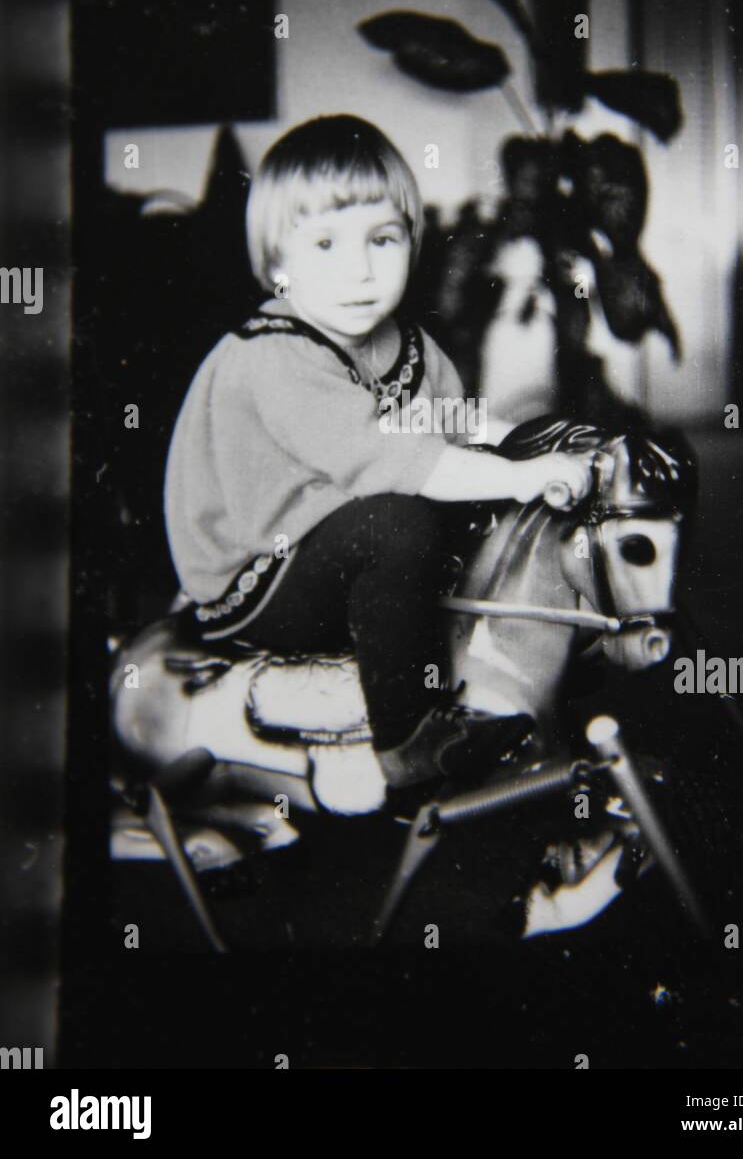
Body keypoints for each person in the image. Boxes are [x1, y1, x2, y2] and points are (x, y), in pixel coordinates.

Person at [164, 115, 594, 790]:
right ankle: (406, 740)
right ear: (279, 265)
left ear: (410, 243)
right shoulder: (276, 355)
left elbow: (453, 425)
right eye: (326, 244)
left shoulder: (411, 344)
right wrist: (522, 475)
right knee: (400, 521)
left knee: (473, 517)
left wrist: (524, 451)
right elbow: (392, 461)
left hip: (335, 537)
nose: (360, 269)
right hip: (259, 574)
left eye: (382, 239)